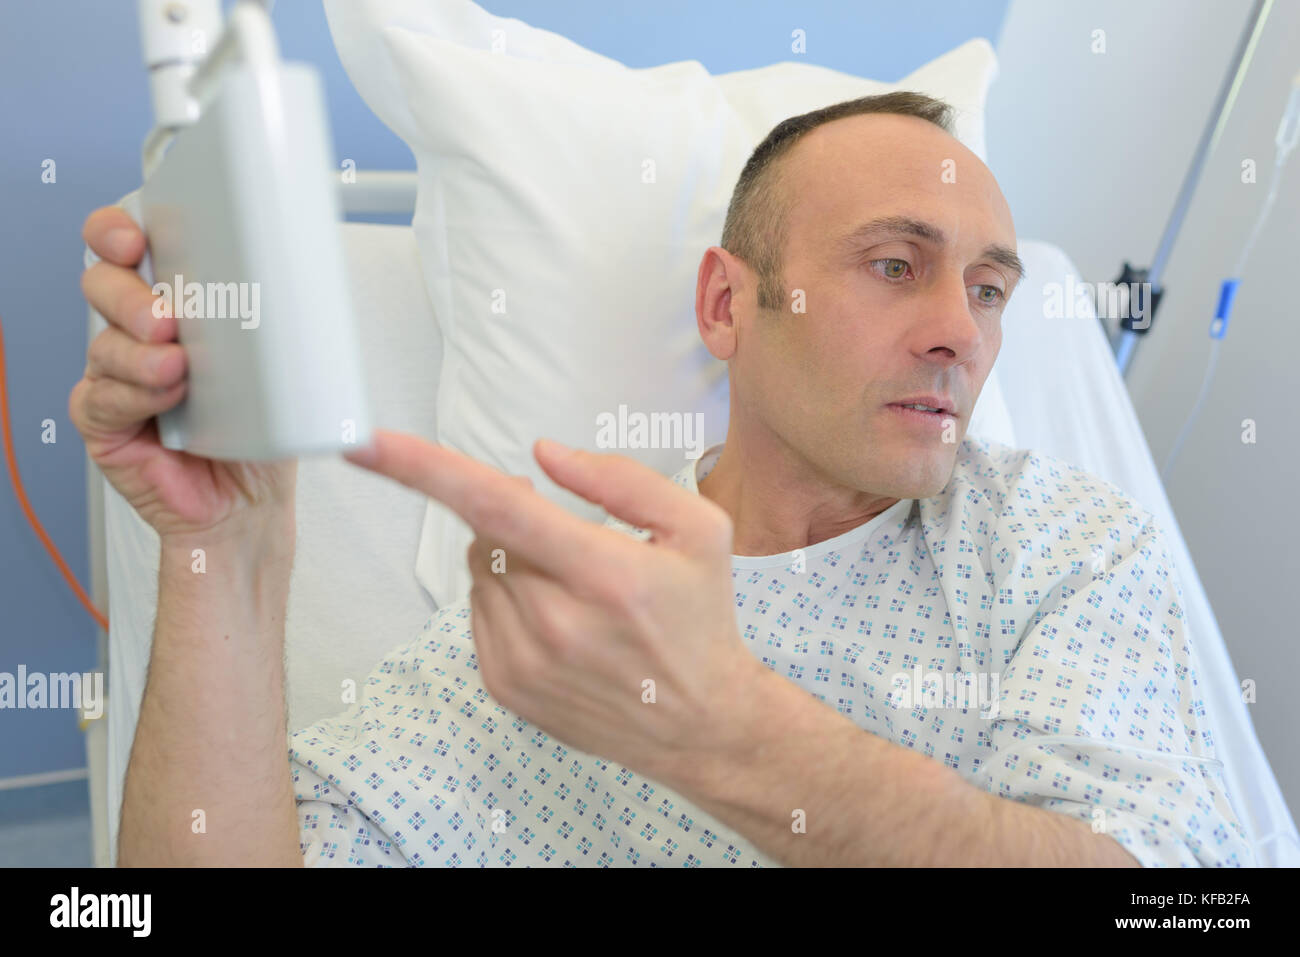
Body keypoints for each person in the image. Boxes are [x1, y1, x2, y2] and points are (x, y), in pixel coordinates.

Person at [72, 91, 1254, 867]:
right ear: (727, 305)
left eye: (989, 289)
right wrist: (218, 556)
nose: (962, 332)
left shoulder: (1063, 547)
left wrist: (727, 734)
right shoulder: (568, 615)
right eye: (895, 265)